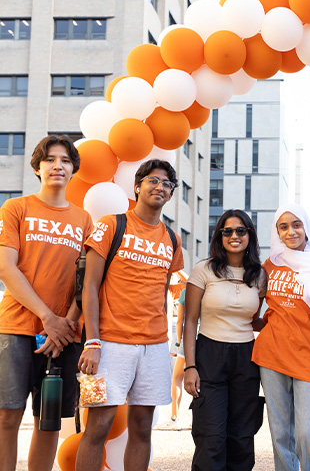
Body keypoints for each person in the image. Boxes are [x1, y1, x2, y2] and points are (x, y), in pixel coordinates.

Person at [75, 160, 184, 471]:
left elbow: (163, 293)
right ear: (137, 187)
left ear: (171, 193)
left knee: (142, 428)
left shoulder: (173, 240)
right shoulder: (112, 224)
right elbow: (91, 286)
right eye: (153, 180)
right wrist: (92, 341)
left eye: (167, 184)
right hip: (111, 343)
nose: (160, 187)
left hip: (153, 346)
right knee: (98, 426)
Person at [0, 135, 93, 471]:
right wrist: (46, 317)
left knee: (49, 419)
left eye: (66, 160)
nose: (58, 165)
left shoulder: (83, 220)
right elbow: (6, 268)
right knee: (7, 416)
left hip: (65, 334)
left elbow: (88, 281)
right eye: (50, 159)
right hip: (16, 327)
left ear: (73, 170)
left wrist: (64, 324)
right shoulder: (16, 208)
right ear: (38, 167)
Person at [251, 203, 310, 471]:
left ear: (307, 228)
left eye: (296, 225)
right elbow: (253, 307)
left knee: (307, 432)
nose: (291, 231)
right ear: (277, 232)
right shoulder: (270, 265)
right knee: (280, 434)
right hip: (272, 356)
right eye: (283, 227)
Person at [183, 210, 266, 471]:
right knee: (211, 437)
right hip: (209, 354)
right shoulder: (203, 270)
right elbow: (190, 321)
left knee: (242, 437)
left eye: (241, 230)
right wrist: (190, 366)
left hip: (246, 357)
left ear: (249, 235)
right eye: (227, 231)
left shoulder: (259, 274)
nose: (234, 236)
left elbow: (255, 320)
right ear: (219, 236)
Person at [169, 285, 185, 429]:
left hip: (188, 337)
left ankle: (175, 417)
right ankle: (199, 419)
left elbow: (180, 320)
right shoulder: (210, 290)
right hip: (207, 335)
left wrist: (178, 342)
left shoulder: (186, 292)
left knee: (177, 377)